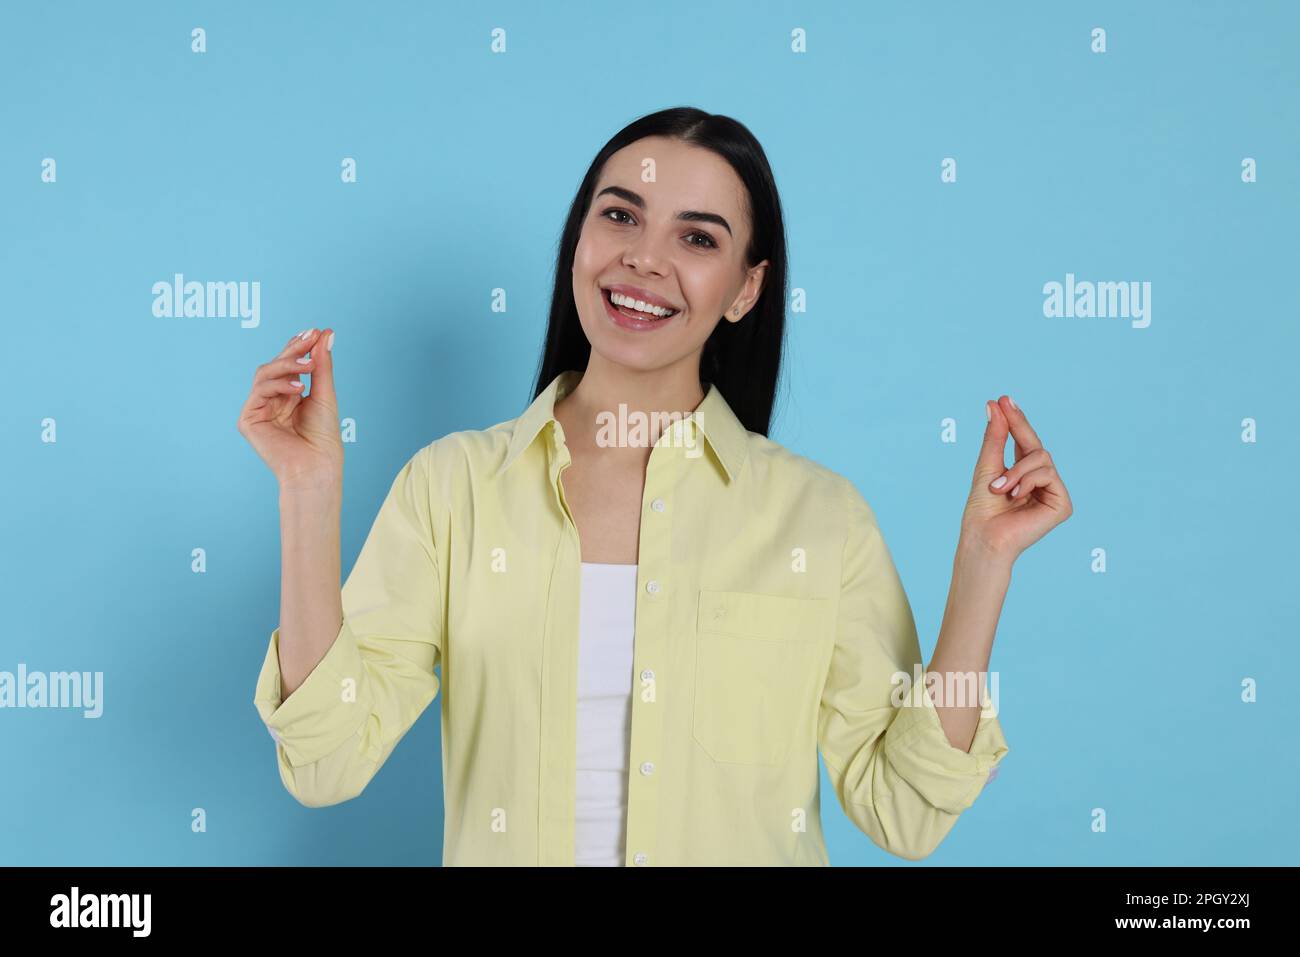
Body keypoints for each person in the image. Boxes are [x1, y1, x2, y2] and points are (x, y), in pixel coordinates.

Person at [236, 106, 1073, 867]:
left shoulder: (820, 518)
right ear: (579, 240)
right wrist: (307, 493)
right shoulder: (451, 489)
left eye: (698, 238)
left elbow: (905, 812)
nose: (644, 257)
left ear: (747, 288)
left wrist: (983, 564)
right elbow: (327, 760)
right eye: (621, 216)